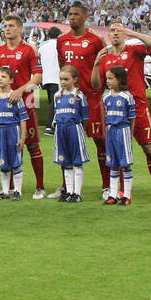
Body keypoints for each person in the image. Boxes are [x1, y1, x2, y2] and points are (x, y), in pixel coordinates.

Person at [94, 23, 151, 202]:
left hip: (139, 107)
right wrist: (96, 63)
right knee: (118, 151)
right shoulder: (106, 59)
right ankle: (122, 191)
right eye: (112, 30)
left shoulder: (135, 50)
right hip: (117, 112)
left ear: (124, 33)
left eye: (119, 30)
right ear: (109, 36)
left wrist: (132, 33)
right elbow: (96, 85)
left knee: (148, 148)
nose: (116, 33)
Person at [0, 15, 46, 198]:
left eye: (11, 26)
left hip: (28, 99)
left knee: (32, 145)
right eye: (5, 25)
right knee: (7, 144)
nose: (7, 29)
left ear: (20, 28)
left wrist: (21, 90)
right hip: (3, 102)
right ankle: (10, 188)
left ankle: (40, 186)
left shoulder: (30, 49)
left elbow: (37, 77)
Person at [56, 3, 109, 196]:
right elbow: (63, 67)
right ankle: (66, 187)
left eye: (76, 14)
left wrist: (99, 89)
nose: (71, 17)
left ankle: (107, 185)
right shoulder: (62, 40)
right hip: (69, 100)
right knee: (66, 141)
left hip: (92, 98)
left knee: (100, 142)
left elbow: (103, 67)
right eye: (69, 14)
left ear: (85, 17)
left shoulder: (95, 41)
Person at [51, 65, 90, 203]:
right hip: (61, 130)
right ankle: (69, 191)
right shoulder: (57, 95)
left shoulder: (79, 96)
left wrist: (80, 130)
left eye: (66, 79)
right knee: (66, 162)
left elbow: (85, 117)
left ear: (75, 79)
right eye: (61, 79)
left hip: (74, 129)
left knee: (77, 162)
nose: (63, 82)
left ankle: (77, 193)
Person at [0, 66, 26, 200]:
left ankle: (17, 191)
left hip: (13, 132)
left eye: (3, 77)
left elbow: (23, 119)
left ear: (11, 80)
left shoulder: (15, 97)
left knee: (15, 163)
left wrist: (23, 137)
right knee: (3, 164)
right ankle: (5, 191)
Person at [101, 67, 136, 205]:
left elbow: (132, 117)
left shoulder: (127, 97)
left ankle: (126, 195)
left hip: (123, 130)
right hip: (111, 132)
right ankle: (113, 195)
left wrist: (130, 133)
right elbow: (104, 115)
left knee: (125, 164)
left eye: (111, 78)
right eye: (107, 78)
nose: (108, 81)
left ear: (119, 79)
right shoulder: (106, 96)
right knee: (113, 164)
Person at [39, 27, 60, 134]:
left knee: (52, 101)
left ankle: (55, 123)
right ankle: (49, 125)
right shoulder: (60, 45)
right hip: (57, 77)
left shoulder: (42, 46)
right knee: (55, 102)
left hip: (45, 78)